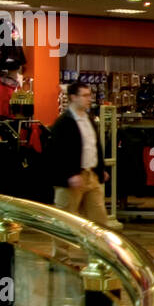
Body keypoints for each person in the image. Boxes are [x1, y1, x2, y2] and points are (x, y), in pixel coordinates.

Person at [48, 82, 110, 227]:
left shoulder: (89, 120)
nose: (89, 99)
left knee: (99, 221)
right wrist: (69, 174)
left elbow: (94, 146)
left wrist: (100, 169)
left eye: (90, 95)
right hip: (72, 180)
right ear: (73, 97)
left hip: (92, 176)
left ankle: (96, 249)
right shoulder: (62, 123)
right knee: (64, 222)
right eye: (85, 95)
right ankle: (61, 250)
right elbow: (56, 153)